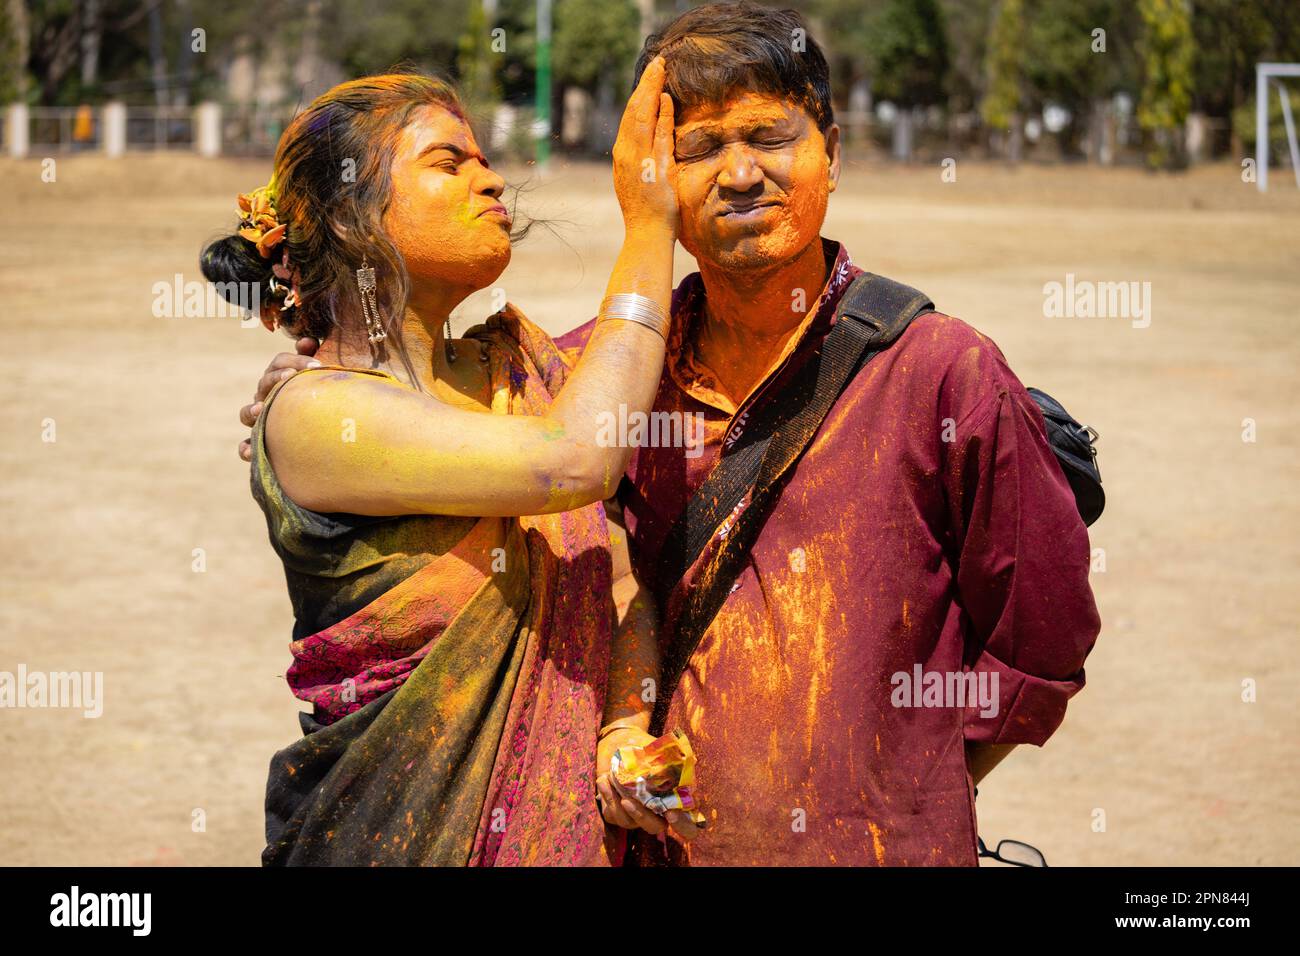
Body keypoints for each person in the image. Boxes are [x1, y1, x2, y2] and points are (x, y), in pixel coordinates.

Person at [244, 2, 1101, 866]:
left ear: (831, 156)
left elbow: (1043, 641)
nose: (739, 174)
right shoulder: (589, 387)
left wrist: (900, 781)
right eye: (696, 151)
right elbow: (585, 500)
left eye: (771, 137)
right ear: (655, 176)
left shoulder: (937, 371)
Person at [205, 60, 698, 865]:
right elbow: (575, 460)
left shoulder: (525, 370)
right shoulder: (316, 412)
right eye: (450, 162)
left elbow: (615, 575)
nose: (493, 180)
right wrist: (649, 231)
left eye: (484, 159)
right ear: (348, 214)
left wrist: (623, 724)